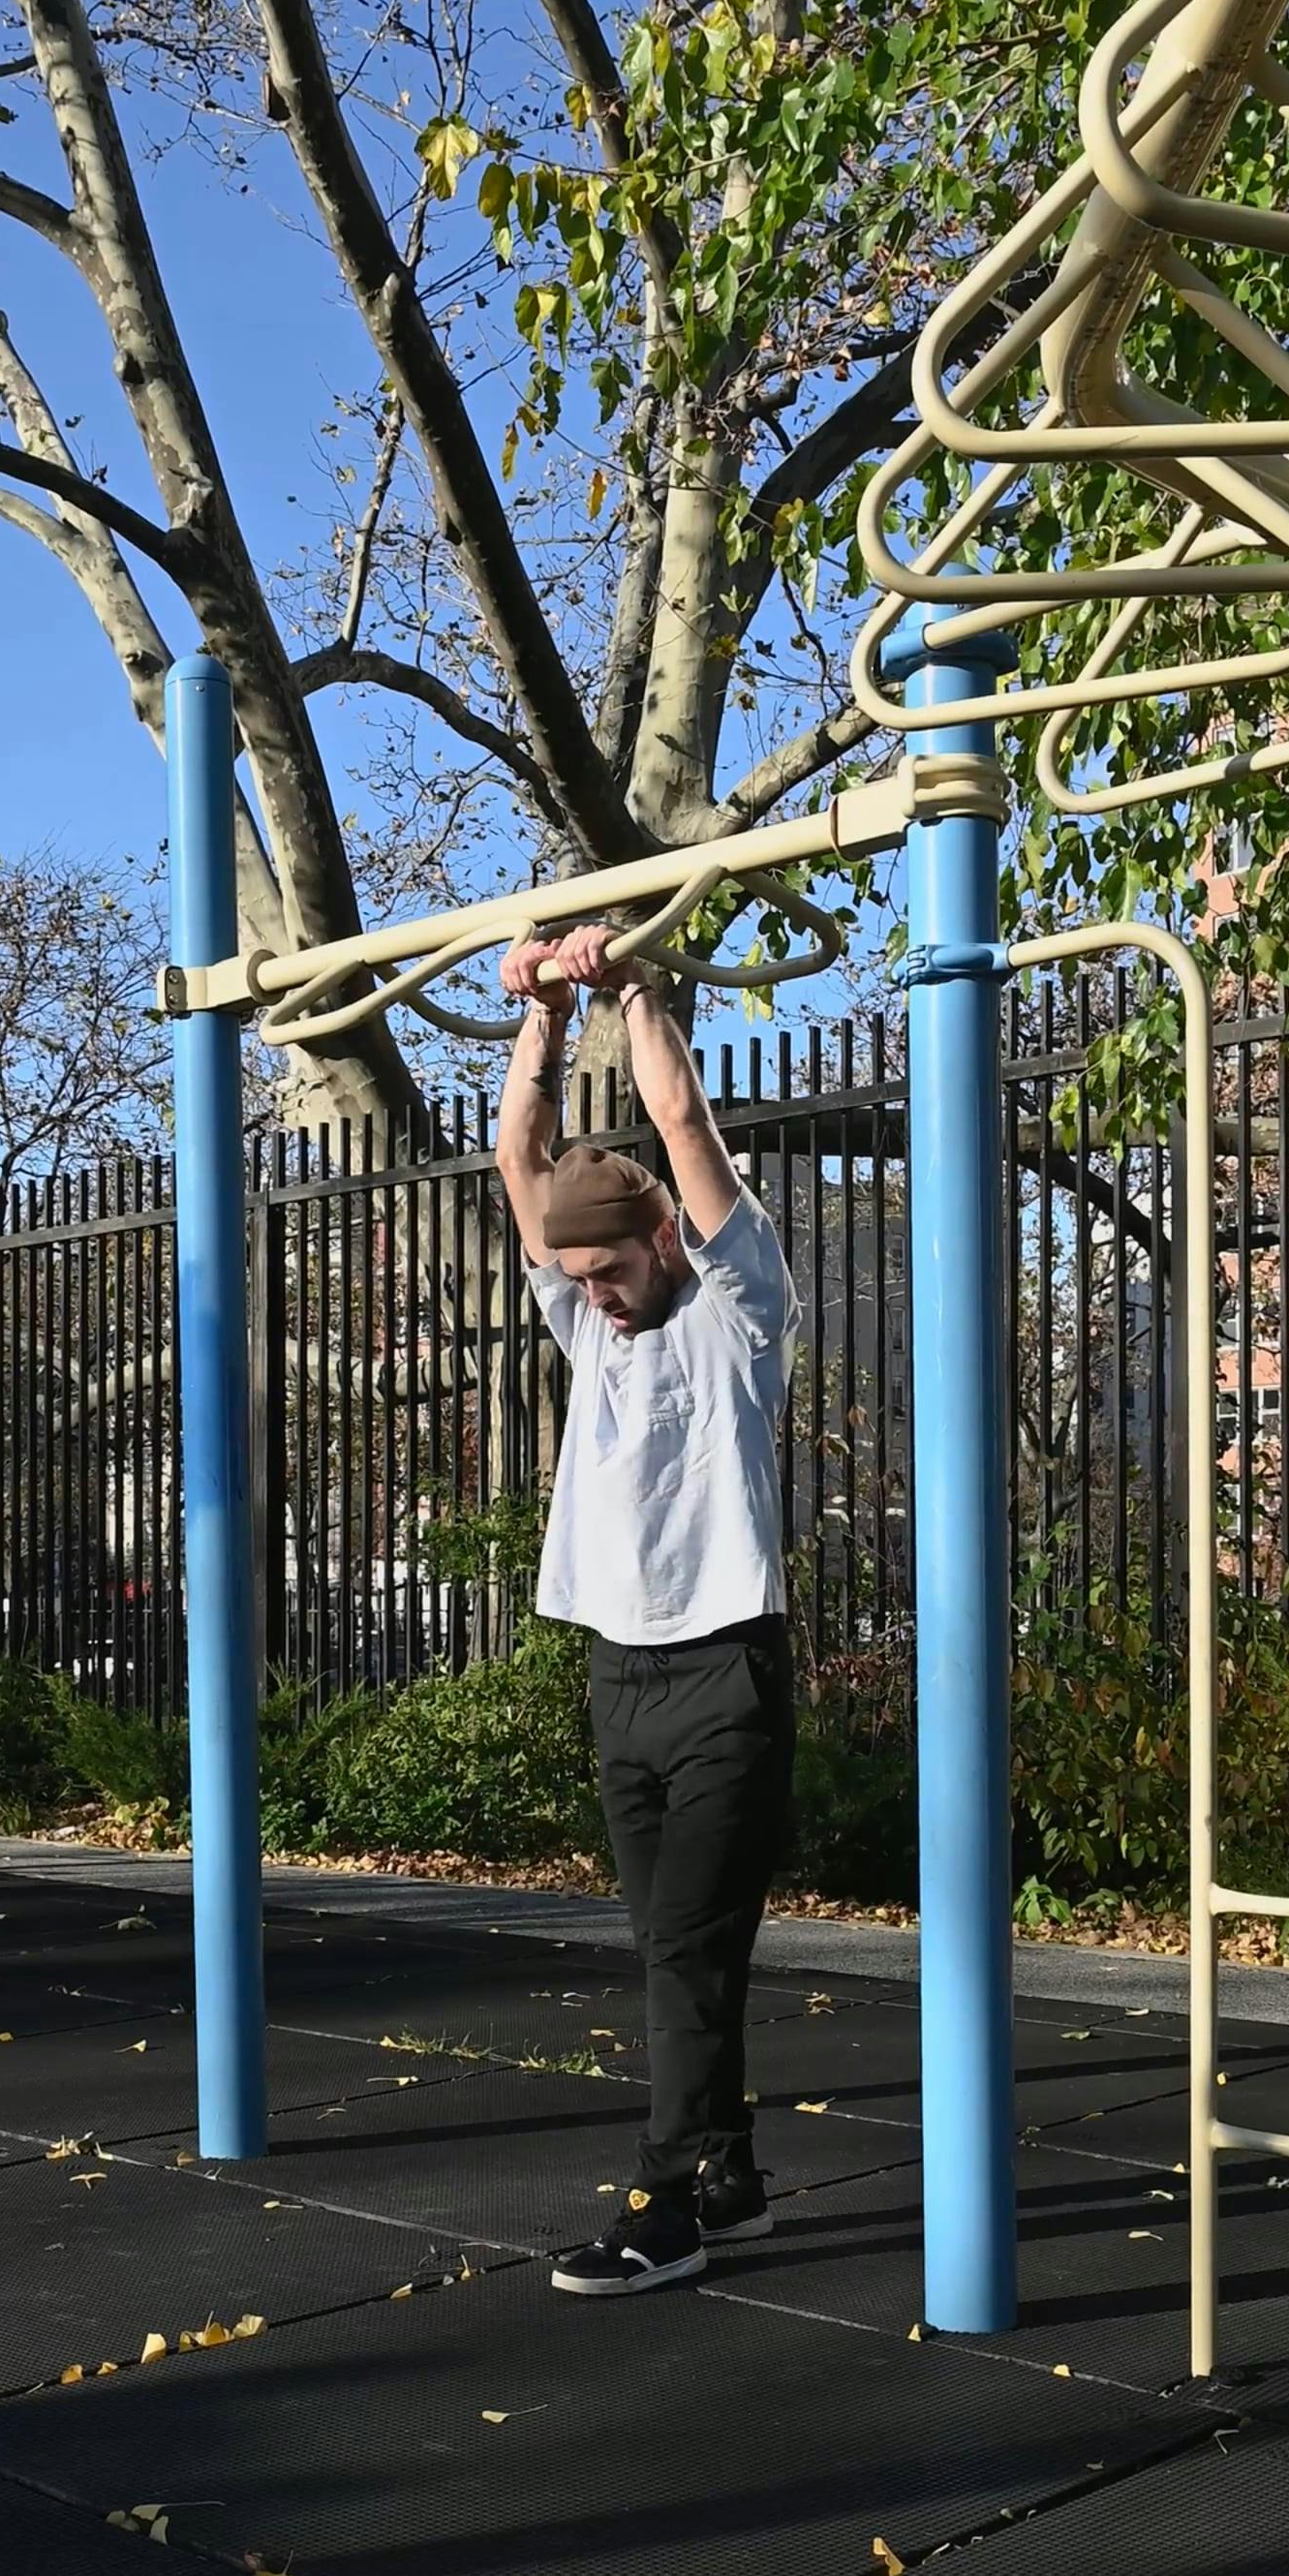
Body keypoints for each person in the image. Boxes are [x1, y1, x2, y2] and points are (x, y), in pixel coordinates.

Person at [493, 919, 800, 2296]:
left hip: (727, 1677)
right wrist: (541, 1019)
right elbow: (518, 1158)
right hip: (621, 1675)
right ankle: (730, 2181)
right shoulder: (579, 1313)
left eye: (610, 1272)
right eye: (577, 1282)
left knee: (683, 1950)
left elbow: (677, 1114)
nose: (598, 1303)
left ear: (662, 1239)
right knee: (677, 1955)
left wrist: (630, 988)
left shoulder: (740, 1312)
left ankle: (665, 2199)